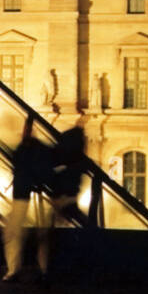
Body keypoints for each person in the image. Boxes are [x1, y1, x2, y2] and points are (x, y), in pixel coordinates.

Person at [38, 115, 87, 275]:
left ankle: (46, 269)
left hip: (60, 197)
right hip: (68, 196)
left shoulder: (61, 156)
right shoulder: (77, 160)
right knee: (75, 228)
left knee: (49, 236)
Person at [2, 116, 47, 280]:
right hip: (28, 194)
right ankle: (42, 268)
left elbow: (17, 164)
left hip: (22, 195)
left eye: (26, 128)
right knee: (40, 234)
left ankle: (14, 269)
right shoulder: (34, 148)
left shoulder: (25, 149)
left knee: (13, 232)